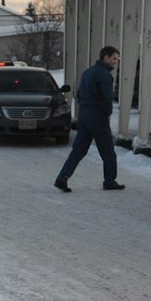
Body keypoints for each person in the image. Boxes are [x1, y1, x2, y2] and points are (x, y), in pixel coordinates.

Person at [55, 46, 123, 193]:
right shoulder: (105, 75)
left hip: (85, 116)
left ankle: (62, 177)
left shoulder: (87, 72)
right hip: (98, 117)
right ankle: (110, 180)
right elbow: (107, 97)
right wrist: (107, 111)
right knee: (108, 151)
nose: (116, 62)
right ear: (105, 57)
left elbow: (79, 93)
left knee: (78, 150)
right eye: (114, 58)